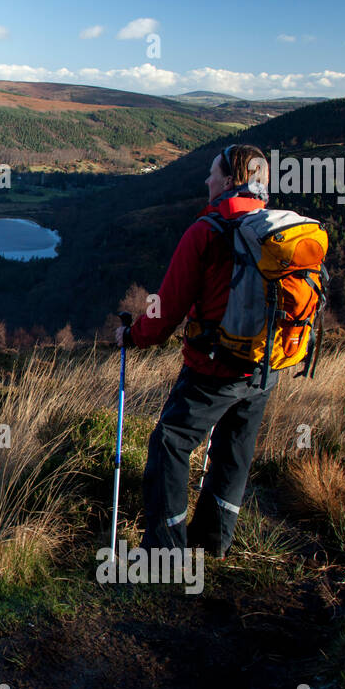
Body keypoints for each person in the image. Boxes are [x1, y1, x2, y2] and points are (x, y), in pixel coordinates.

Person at [114, 144, 276, 558]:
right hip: (266, 365)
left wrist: (134, 336)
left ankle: (166, 550)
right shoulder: (272, 230)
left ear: (229, 180)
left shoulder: (207, 230)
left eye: (211, 174)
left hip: (215, 366)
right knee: (234, 449)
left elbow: (165, 311)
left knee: (170, 442)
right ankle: (214, 541)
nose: (206, 181)